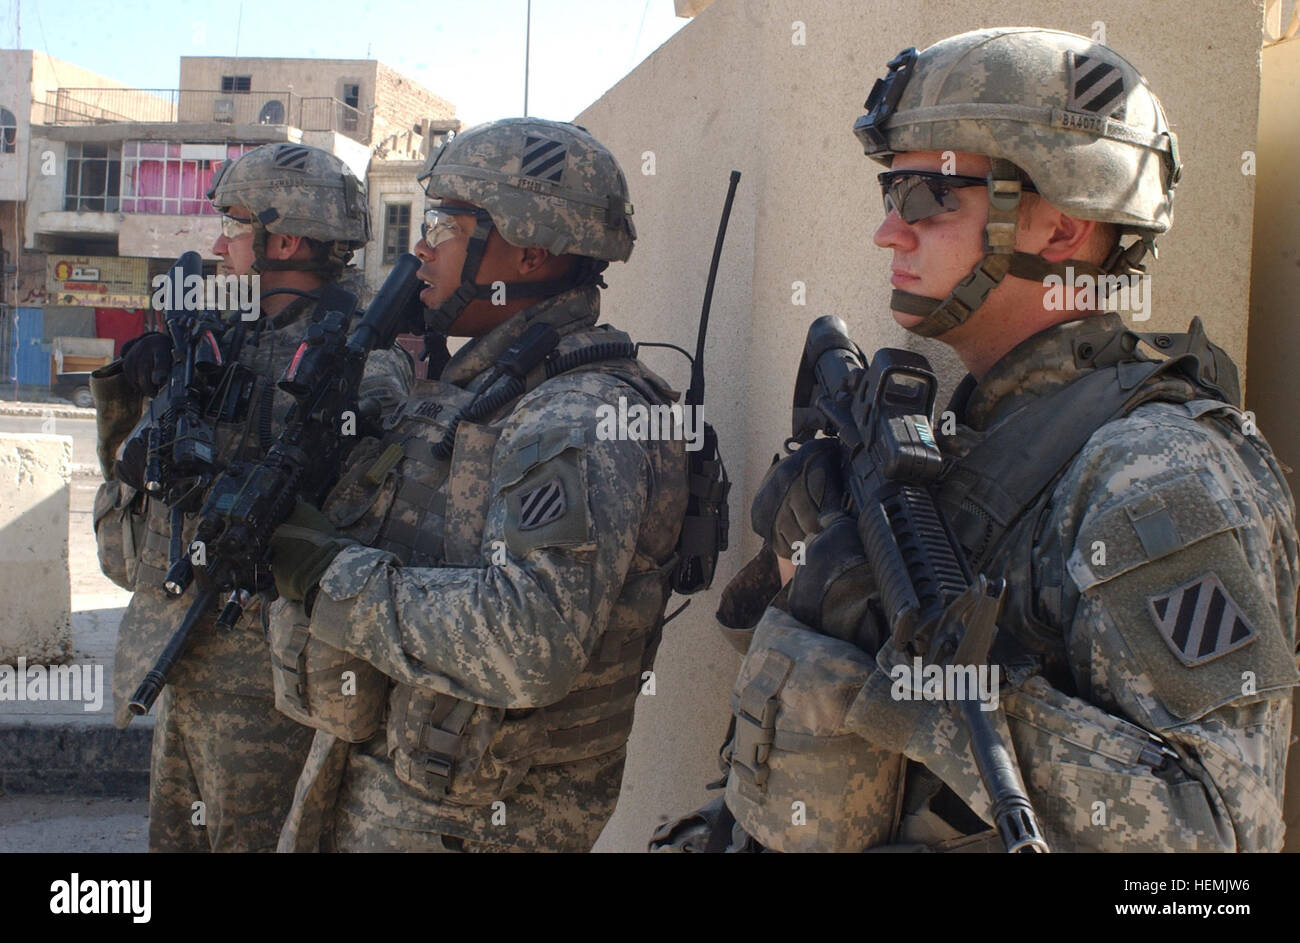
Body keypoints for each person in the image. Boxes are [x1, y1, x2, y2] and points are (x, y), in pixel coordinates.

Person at [656, 27, 1298, 853]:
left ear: (1060, 229)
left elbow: (1216, 838)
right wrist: (805, 566)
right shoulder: (962, 430)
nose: (889, 232)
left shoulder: (1155, 471)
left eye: (927, 197)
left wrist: (908, 670)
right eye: (890, 193)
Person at [265, 117, 690, 853]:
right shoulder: (494, 389)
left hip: (472, 823)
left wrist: (329, 575)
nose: (422, 249)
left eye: (446, 226)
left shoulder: (576, 414)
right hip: (407, 799)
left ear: (528, 250)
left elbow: (531, 637)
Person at [91, 142, 412, 852]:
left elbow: (349, 531)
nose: (219, 245)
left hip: (270, 689)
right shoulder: (226, 338)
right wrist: (136, 396)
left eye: (234, 226)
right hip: (182, 661)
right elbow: (142, 509)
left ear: (286, 240)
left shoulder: (359, 364)